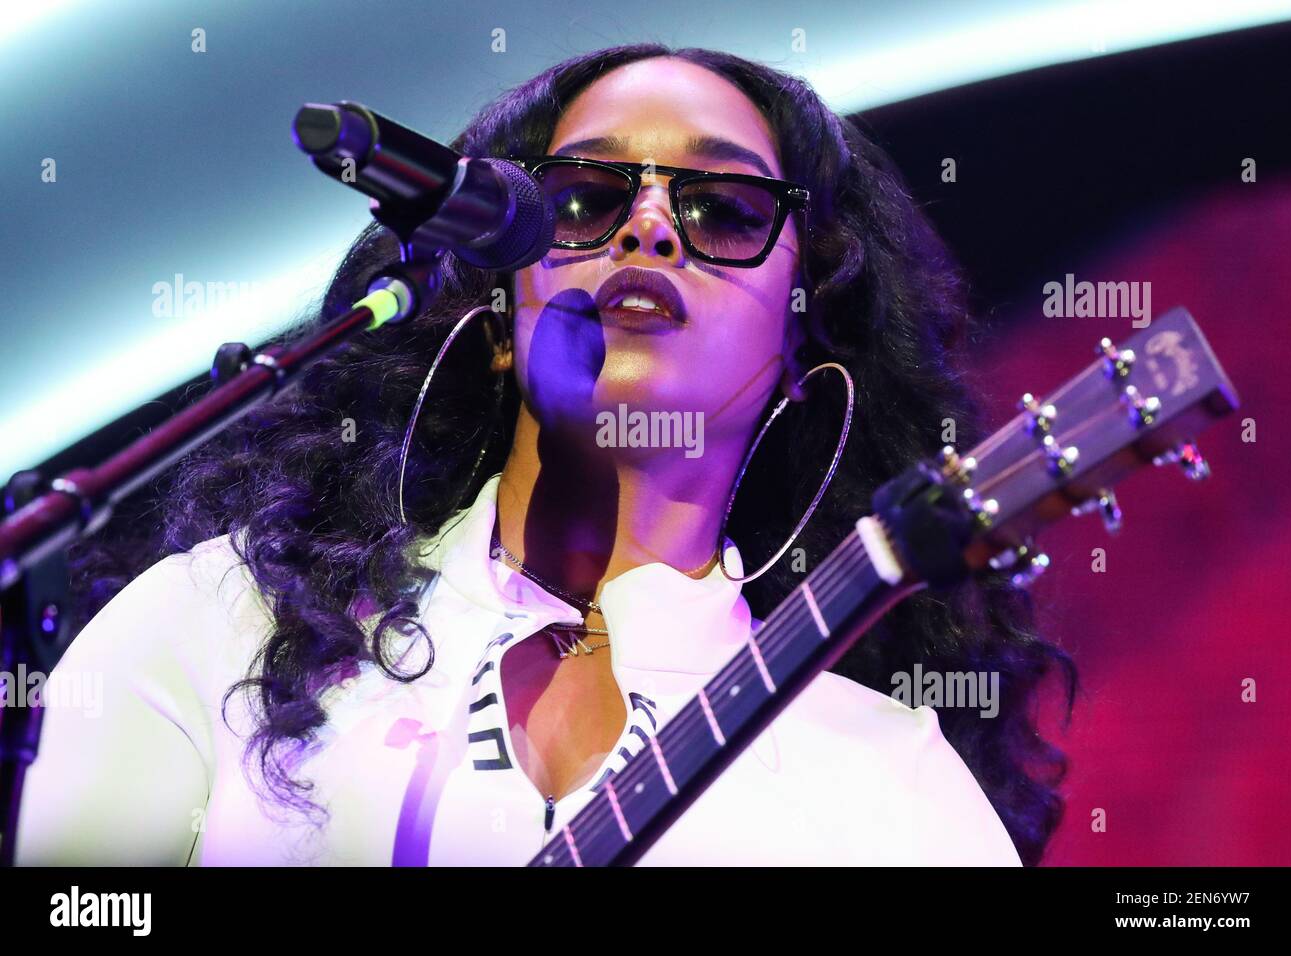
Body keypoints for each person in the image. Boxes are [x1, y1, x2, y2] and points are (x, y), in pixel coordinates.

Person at [14, 44, 1073, 866]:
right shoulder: (226, 619)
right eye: (585, 197)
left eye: (723, 208)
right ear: (493, 306)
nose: (650, 227)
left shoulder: (884, 780)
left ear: (806, 345)